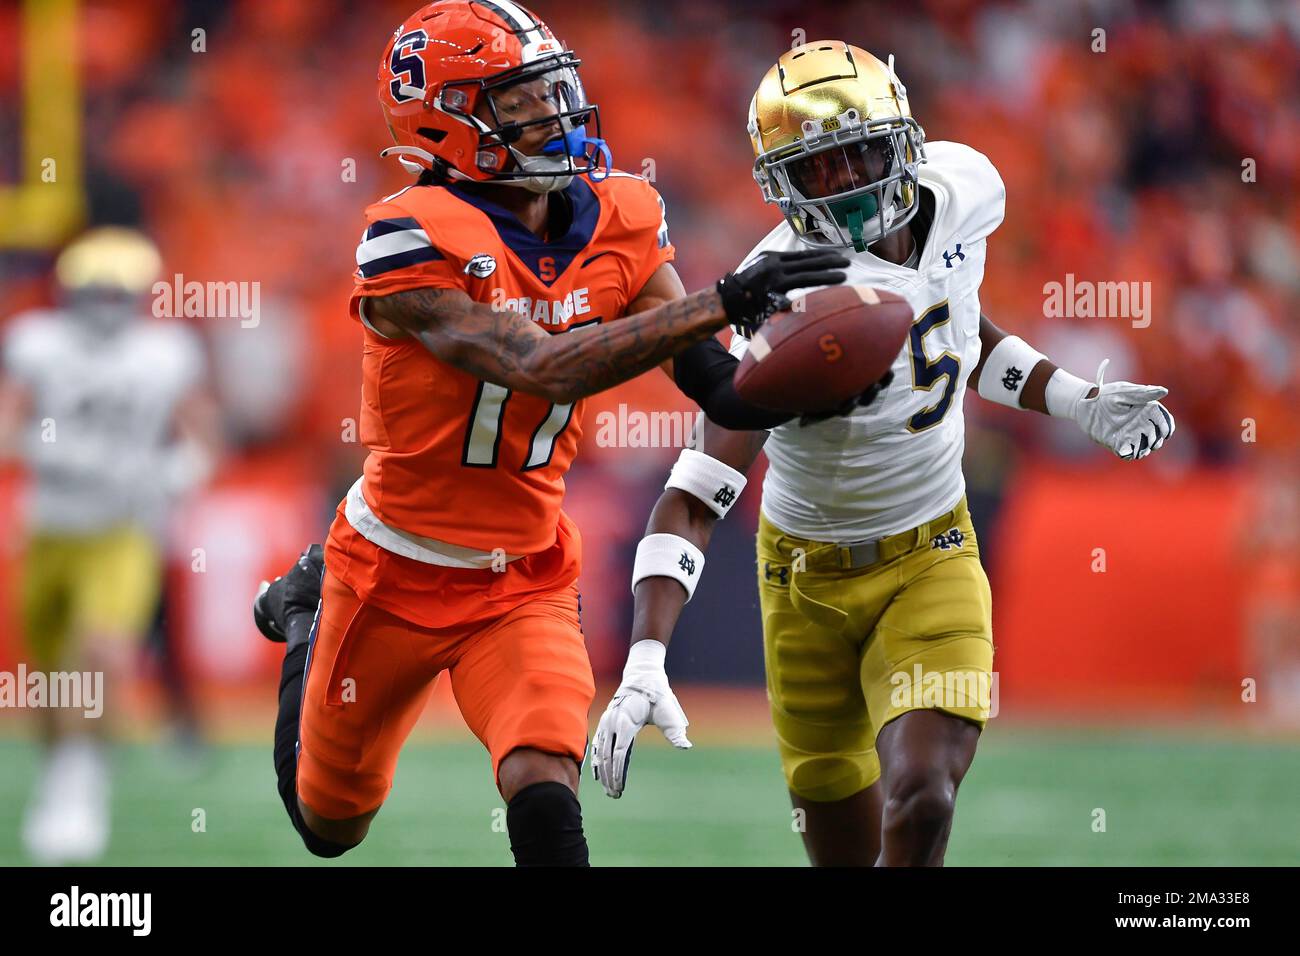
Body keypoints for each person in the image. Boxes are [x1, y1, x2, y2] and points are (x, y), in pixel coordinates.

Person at [254, 0, 849, 867]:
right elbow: (540, 365)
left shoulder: (618, 213)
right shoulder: (409, 236)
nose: (555, 109)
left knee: (542, 778)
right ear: (449, 120)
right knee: (330, 828)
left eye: (552, 87)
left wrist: (840, 370)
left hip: (524, 572)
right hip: (392, 567)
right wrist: (723, 298)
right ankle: (307, 612)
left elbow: (716, 382)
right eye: (521, 98)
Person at [588, 41, 1176, 866]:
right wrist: (645, 655)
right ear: (782, 185)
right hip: (803, 583)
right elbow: (695, 490)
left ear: (904, 141)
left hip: (932, 551)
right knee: (844, 849)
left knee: (923, 794)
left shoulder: (962, 193)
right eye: (819, 170)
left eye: (860, 153)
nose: (849, 184)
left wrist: (1075, 398)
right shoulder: (782, 293)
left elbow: (956, 335)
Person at [0, 226, 219, 863]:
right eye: (93, 291)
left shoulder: (164, 353)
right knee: (49, 677)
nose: (104, 305)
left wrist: (176, 473)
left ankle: (81, 786)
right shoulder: (36, 342)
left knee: (101, 649)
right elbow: (8, 420)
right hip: (51, 525)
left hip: (124, 528)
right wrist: (52, 450)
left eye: (115, 292)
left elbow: (203, 438)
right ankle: (61, 773)